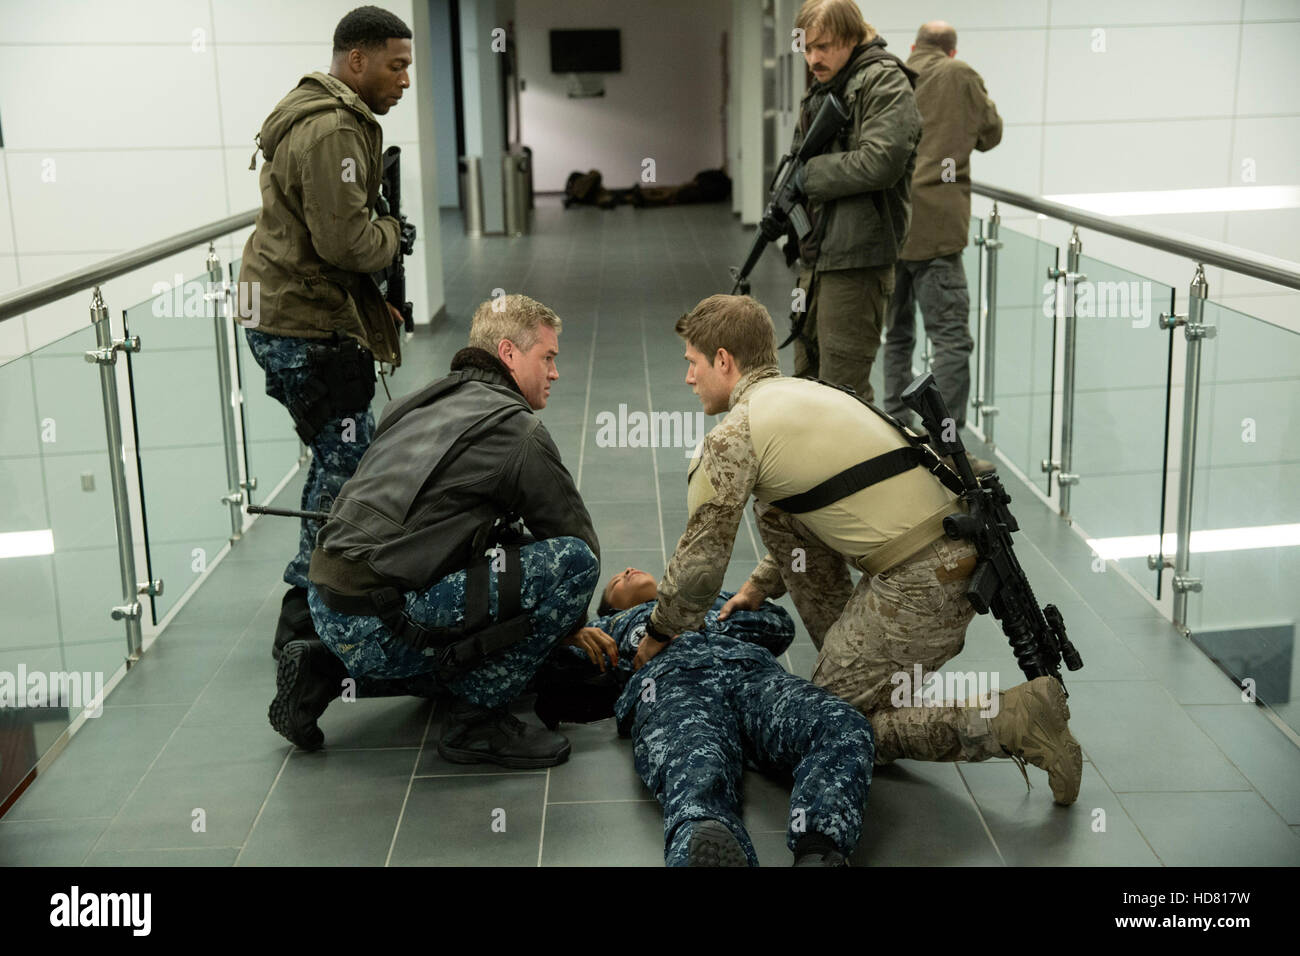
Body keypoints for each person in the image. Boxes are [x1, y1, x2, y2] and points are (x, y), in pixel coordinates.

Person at [638, 293, 1083, 806]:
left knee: (822, 728)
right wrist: (761, 585)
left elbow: (699, 565)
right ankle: (861, 665)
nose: (688, 378)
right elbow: (812, 502)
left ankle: (1016, 721)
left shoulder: (734, 436)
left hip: (921, 583)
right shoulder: (804, 394)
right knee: (772, 508)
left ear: (723, 360)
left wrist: (659, 633)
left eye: (692, 363)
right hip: (947, 557)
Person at [268, 294, 600, 770]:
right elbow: (576, 542)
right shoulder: (518, 431)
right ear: (509, 354)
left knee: (489, 582)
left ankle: (326, 669)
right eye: (547, 357)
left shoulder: (412, 404)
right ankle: (477, 723)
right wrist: (565, 631)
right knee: (570, 568)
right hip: (384, 622)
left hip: (327, 604)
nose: (555, 372)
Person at [238, 6, 415, 660]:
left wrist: (373, 309)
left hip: (292, 313)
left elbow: (322, 241)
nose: (403, 80)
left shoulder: (317, 111)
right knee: (344, 464)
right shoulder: (335, 128)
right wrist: (395, 239)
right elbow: (346, 242)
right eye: (395, 66)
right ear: (356, 60)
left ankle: (317, 603)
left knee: (338, 457)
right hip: (299, 324)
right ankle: (306, 620)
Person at [536, 567, 874, 867]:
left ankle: (819, 850)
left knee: (841, 723)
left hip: (755, 679)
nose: (626, 570)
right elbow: (546, 664)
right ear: (611, 606)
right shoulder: (608, 626)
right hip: (674, 688)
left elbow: (780, 628)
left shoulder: (709, 603)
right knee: (695, 768)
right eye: (615, 582)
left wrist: (723, 602)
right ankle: (706, 845)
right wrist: (570, 633)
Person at [786, 0, 921, 402]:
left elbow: (880, 161)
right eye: (807, 49)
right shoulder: (826, 86)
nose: (813, 58)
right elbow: (798, 155)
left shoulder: (885, 81)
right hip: (819, 256)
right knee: (807, 379)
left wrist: (808, 177)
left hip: (857, 260)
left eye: (823, 46)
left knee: (843, 396)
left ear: (849, 36)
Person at [884, 20, 1002, 466]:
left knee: (897, 335)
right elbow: (991, 134)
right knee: (950, 341)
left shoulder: (891, 72)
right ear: (951, 51)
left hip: (893, 227)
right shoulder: (961, 75)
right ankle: (946, 445)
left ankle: (895, 431)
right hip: (937, 232)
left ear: (914, 46)